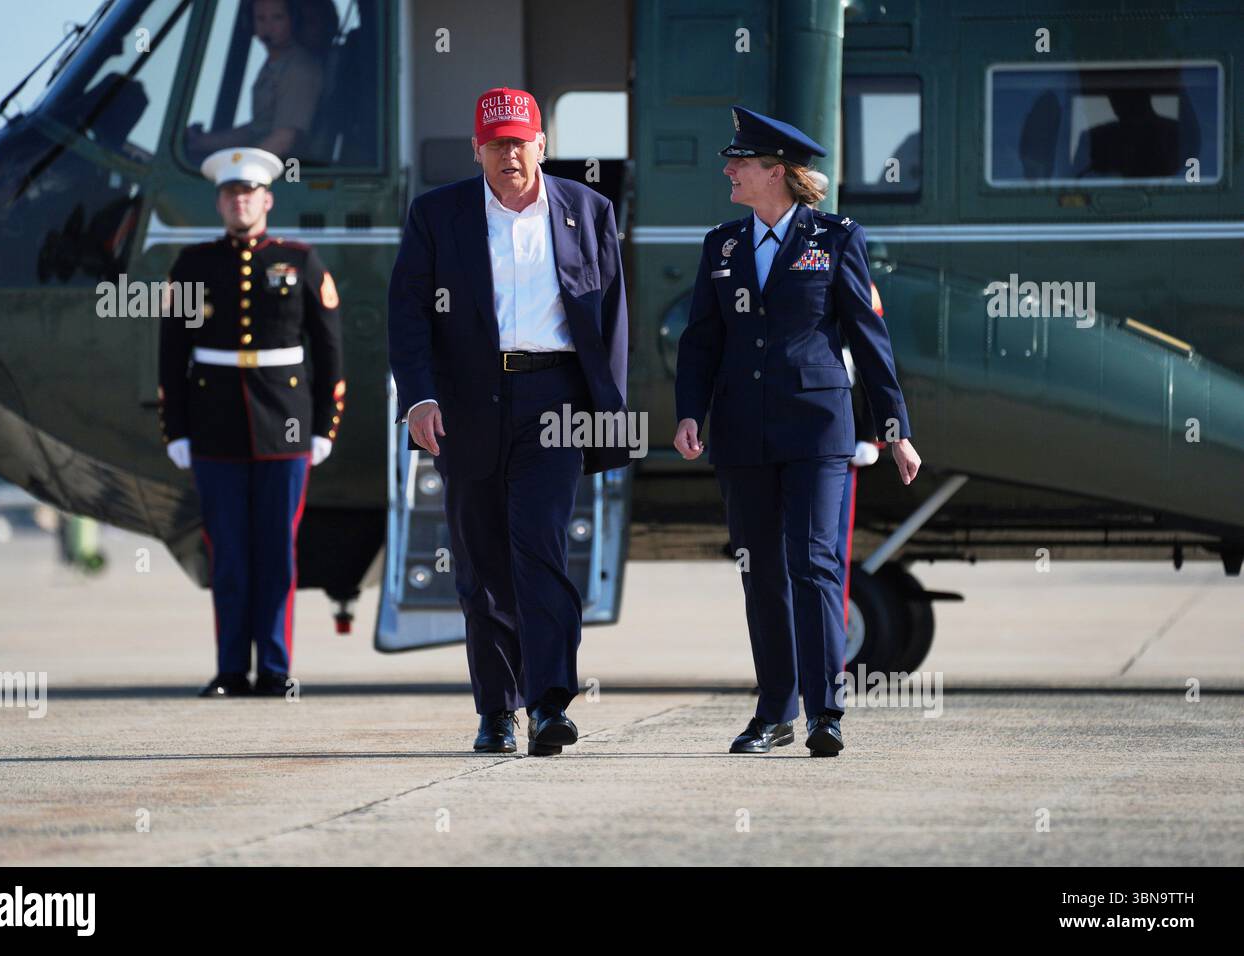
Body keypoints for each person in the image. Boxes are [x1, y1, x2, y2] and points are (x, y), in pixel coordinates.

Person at [387, 87, 629, 756]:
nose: (509, 155)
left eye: (519, 142)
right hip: (467, 403)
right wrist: (419, 398)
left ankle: (551, 703)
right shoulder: (438, 215)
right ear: (477, 150)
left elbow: (611, 318)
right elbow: (407, 315)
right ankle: (496, 710)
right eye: (496, 145)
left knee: (541, 548)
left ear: (542, 145)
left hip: (555, 400)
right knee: (480, 561)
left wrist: (607, 414)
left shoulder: (588, 210)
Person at [674, 107, 921, 757]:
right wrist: (689, 413)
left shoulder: (836, 238)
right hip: (742, 432)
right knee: (761, 571)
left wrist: (894, 428)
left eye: (741, 162)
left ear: (775, 172)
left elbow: (870, 342)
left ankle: (825, 713)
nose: (728, 170)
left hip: (817, 427)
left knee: (814, 564)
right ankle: (774, 713)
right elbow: (701, 341)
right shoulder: (722, 246)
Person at [158, 146, 345, 698]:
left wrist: (324, 425)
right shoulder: (193, 266)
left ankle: (277, 668)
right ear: (219, 202)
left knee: (277, 552)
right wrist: (177, 429)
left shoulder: (301, 260)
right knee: (230, 555)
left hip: (284, 424)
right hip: (215, 424)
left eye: (249, 194)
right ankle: (231, 670)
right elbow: (171, 353)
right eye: (230, 194)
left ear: (267, 199)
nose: (240, 202)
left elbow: (329, 349)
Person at [186, 0, 324, 161]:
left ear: (293, 21)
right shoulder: (273, 66)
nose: (268, 27)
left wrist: (240, 169)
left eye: (277, 18)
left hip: (288, 173)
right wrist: (200, 142)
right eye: (261, 19)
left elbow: (285, 139)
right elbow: (257, 129)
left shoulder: (298, 70)